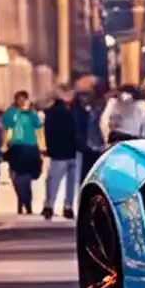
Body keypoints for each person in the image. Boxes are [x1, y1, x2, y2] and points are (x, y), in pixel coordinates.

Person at [41, 86, 84, 220]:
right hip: (63, 150)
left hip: (71, 150)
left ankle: (66, 207)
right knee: (56, 180)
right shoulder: (57, 111)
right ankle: (51, 205)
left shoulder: (75, 110)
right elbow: (50, 132)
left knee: (68, 181)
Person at [2, 91, 44, 215]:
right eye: (19, 99)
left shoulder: (31, 113)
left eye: (23, 99)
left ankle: (26, 202)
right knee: (17, 177)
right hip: (16, 147)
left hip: (30, 147)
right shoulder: (11, 112)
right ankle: (23, 201)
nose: (21, 101)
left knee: (27, 178)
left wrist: (32, 112)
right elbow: (6, 126)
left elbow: (38, 126)